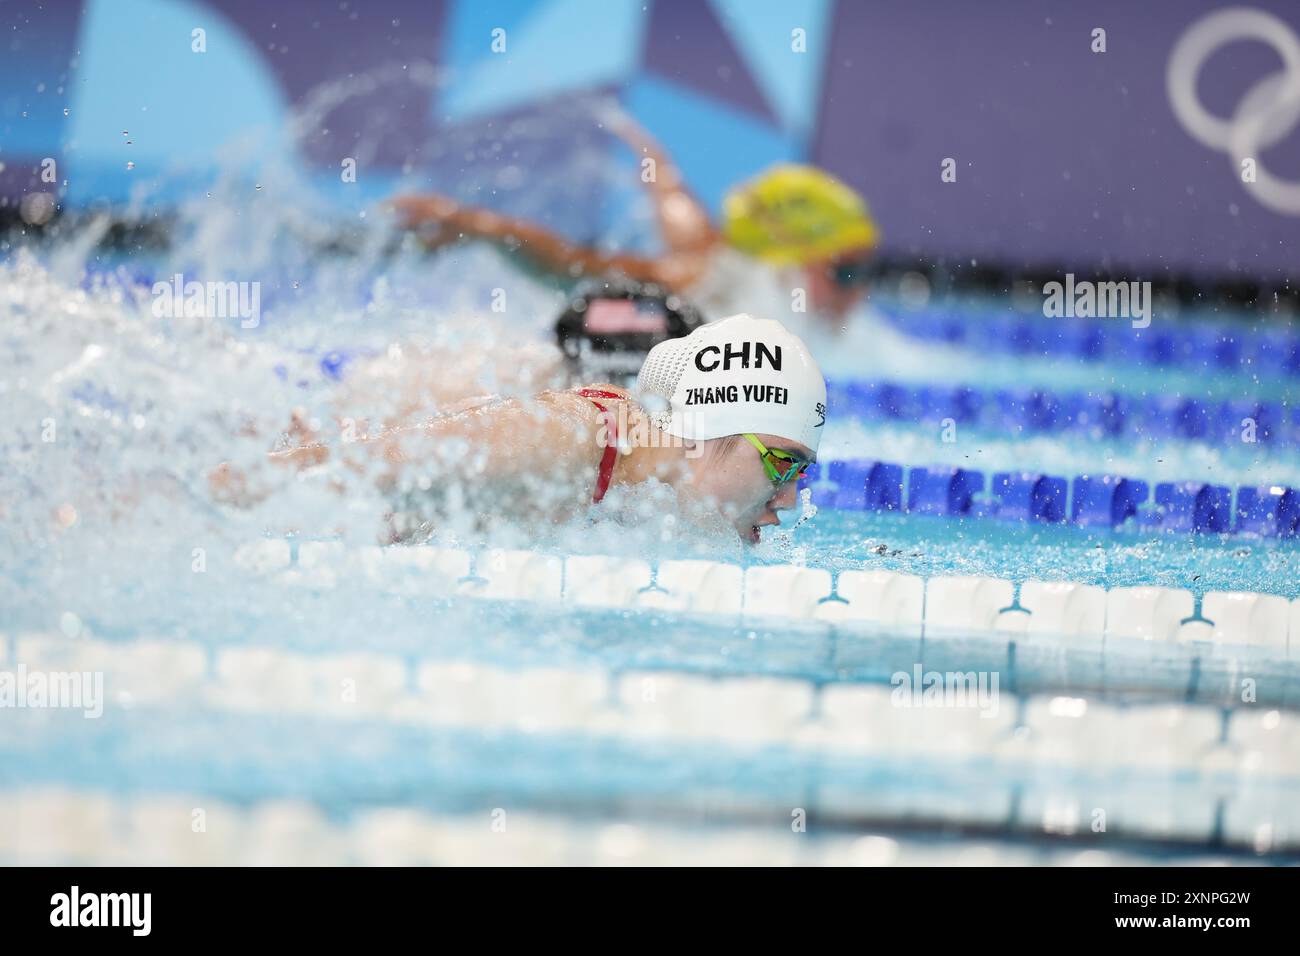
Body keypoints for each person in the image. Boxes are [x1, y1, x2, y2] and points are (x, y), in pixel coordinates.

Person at [216, 313, 826, 546]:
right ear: (706, 423)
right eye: (782, 463)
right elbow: (349, 466)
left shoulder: (638, 491)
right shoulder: (572, 440)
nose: (792, 496)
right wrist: (209, 494)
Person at [390, 111, 879, 328]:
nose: (859, 294)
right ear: (788, 262)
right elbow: (579, 266)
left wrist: (654, 163)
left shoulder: (813, 316)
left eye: (866, 271)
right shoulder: (717, 282)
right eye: (846, 271)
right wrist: (483, 227)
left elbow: (678, 205)